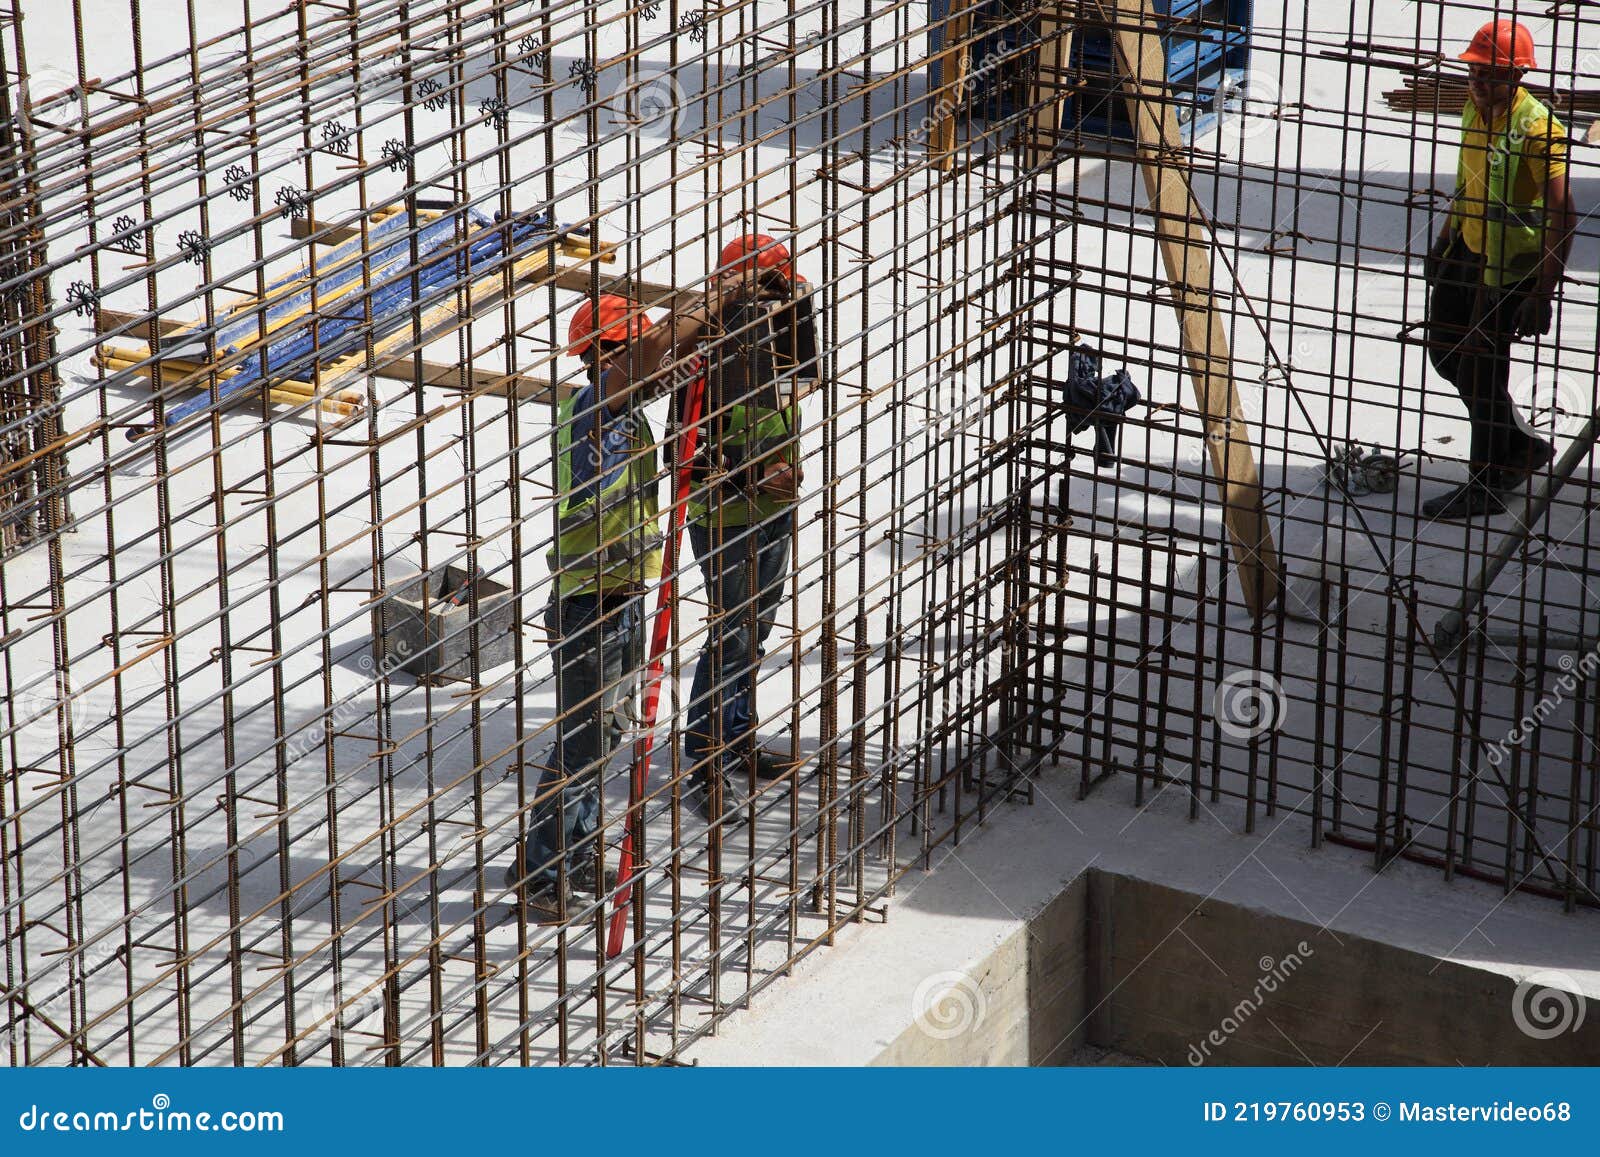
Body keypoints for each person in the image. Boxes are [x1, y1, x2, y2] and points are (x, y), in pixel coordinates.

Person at [507, 288, 726, 922]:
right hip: (590, 602)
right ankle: (540, 870)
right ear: (603, 356)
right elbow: (656, 353)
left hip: (626, 595)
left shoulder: (628, 414)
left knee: (603, 735)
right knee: (581, 742)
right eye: (629, 349)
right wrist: (713, 297)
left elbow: (661, 365)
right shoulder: (594, 407)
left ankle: (573, 855)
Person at [682, 235, 816, 827]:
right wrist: (750, 478)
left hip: (773, 513)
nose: (775, 303)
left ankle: (737, 737)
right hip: (726, 517)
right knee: (729, 634)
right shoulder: (703, 352)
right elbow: (680, 453)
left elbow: (807, 383)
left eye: (779, 291)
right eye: (766, 290)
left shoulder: (784, 343)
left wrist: (799, 313)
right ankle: (703, 762)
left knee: (755, 632)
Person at [1422, 18, 1576, 519]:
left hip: (1511, 270)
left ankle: (1486, 481)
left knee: (1481, 371)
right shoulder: (1472, 108)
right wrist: (1444, 241)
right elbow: (1469, 182)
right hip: (1467, 250)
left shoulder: (1538, 128)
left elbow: (1562, 214)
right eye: (1474, 73)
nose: (1478, 83)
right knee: (1445, 353)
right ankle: (1519, 447)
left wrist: (1542, 291)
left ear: (1517, 77)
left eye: (1490, 75)